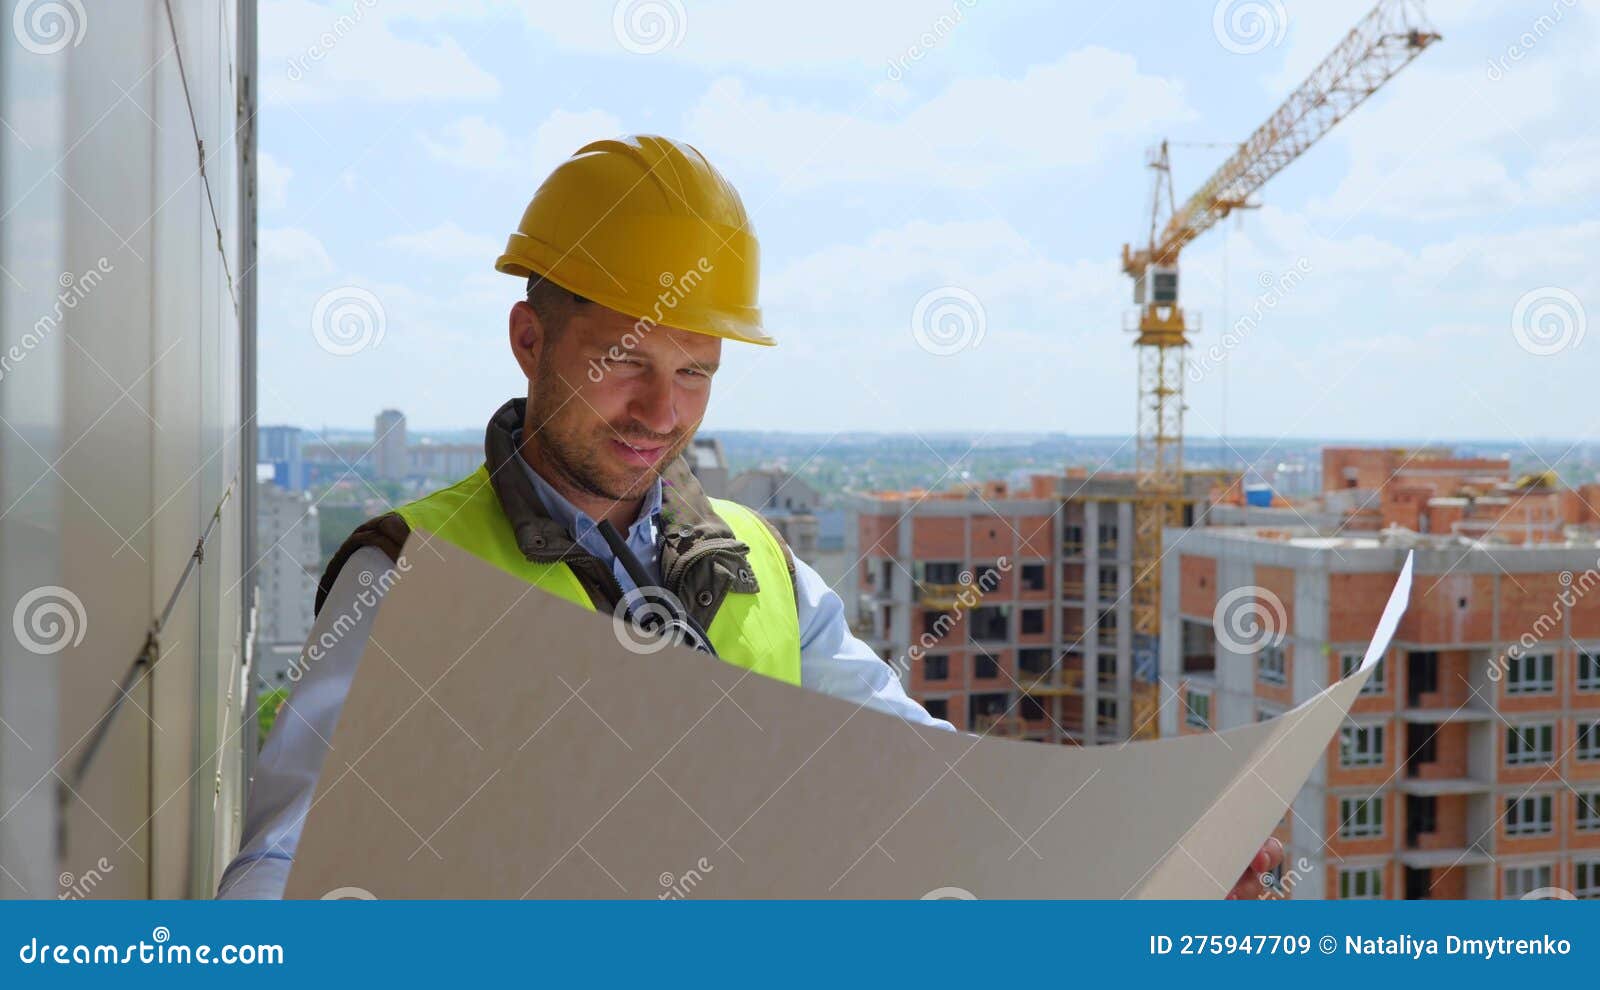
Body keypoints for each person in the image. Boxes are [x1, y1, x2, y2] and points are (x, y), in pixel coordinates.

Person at [217, 135, 1281, 899]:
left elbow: (939, 795)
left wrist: (1162, 865)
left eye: (695, 371)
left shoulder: (764, 567)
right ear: (529, 341)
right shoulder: (410, 571)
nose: (661, 412)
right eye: (623, 360)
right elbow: (287, 872)